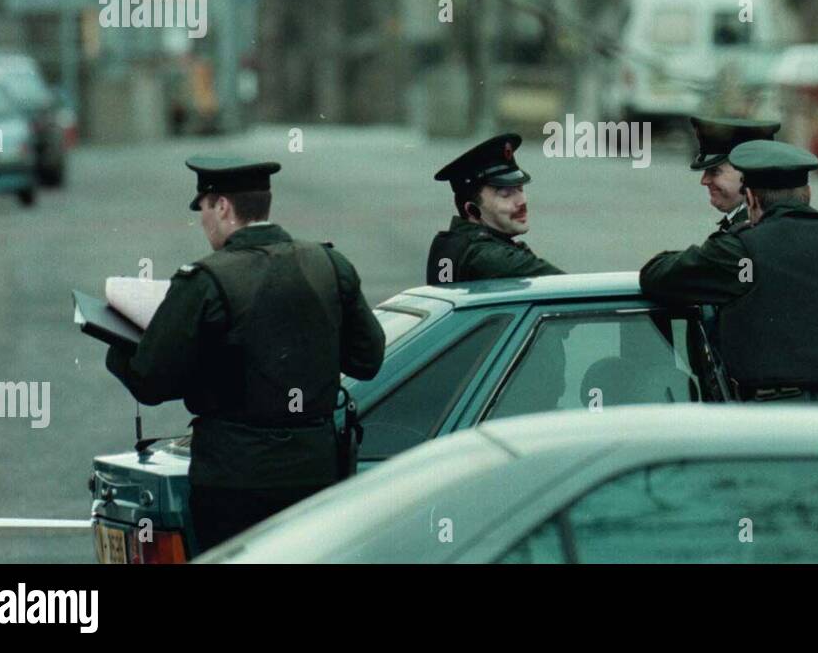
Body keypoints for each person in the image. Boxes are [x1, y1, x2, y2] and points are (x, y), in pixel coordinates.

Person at [105, 156, 386, 552]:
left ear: (221, 206)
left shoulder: (205, 279)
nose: (202, 221)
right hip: (316, 473)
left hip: (234, 481)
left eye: (202, 208)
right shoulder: (330, 264)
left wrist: (117, 343)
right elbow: (368, 360)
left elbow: (151, 382)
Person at [639, 140, 818, 402]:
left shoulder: (739, 252)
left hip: (775, 422)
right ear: (808, 194)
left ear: (750, 198)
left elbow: (655, 276)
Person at [426, 133, 564, 283]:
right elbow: (570, 289)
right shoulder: (492, 259)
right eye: (505, 194)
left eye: (520, 189)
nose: (522, 201)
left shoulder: (451, 243)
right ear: (472, 210)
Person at [689, 115, 782, 238]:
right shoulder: (756, 220)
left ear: (751, 173)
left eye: (715, 172)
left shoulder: (751, 230)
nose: (704, 181)